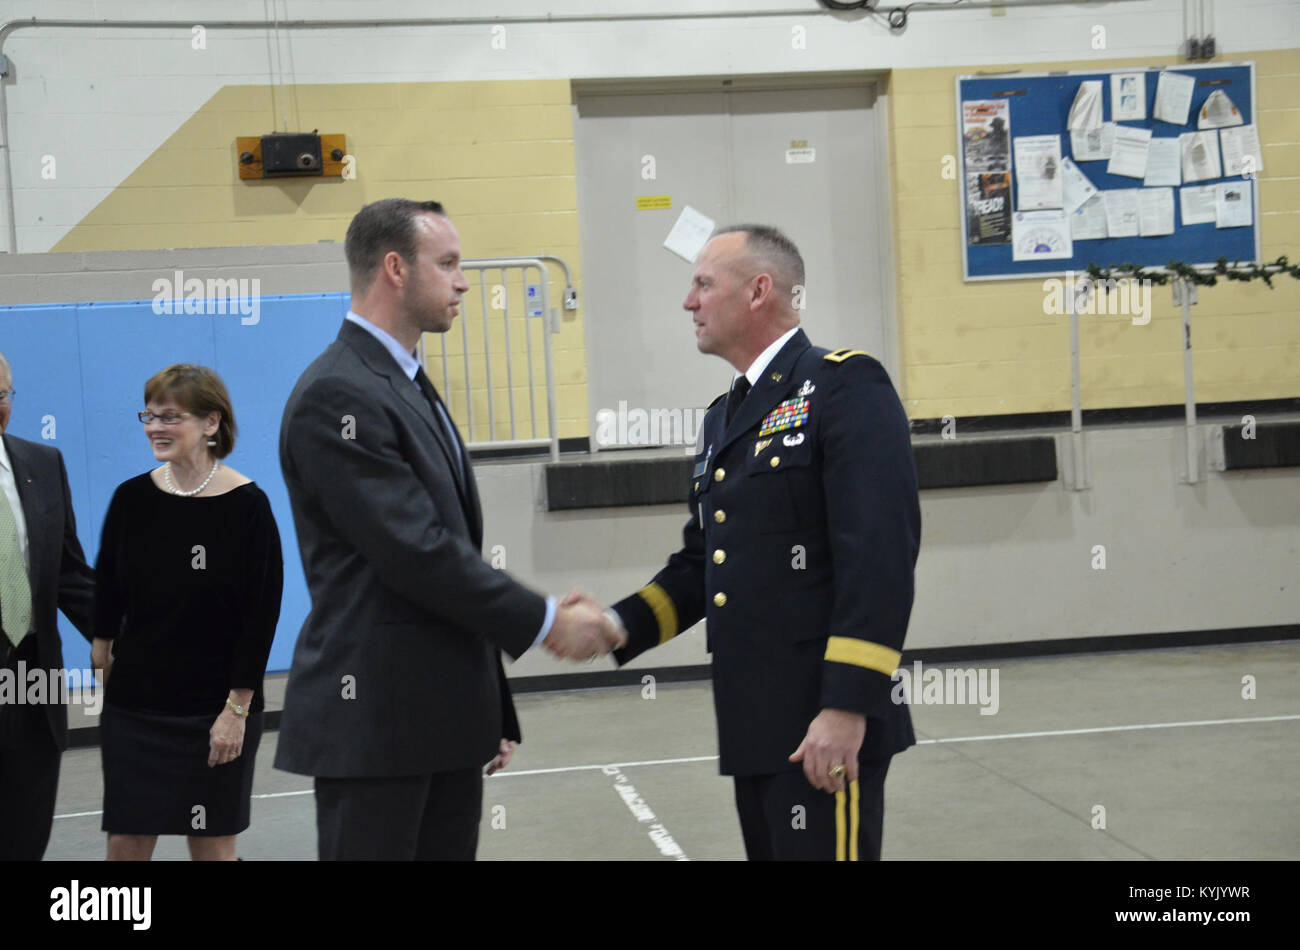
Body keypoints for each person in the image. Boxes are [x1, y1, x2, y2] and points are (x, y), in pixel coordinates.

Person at [274, 198, 620, 861]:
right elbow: (416, 554)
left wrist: (487, 708)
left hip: (438, 722)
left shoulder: (404, 383)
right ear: (396, 269)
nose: (464, 280)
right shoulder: (339, 394)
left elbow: (445, 554)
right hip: (377, 726)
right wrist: (546, 622)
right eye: (450, 263)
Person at [575, 225, 921, 861]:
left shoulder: (844, 387)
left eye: (703, 284)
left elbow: (879, 562)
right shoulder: (723, 416)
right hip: (755, 728)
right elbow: (704, 563)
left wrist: (846, 709)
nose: (689, 302)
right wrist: (617, 626)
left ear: (760, 290)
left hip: (824, 726)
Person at [91, 364, 283, 861]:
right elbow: (108, 592)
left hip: (217, 710)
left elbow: (259, 620)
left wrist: (236, 710)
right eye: (149, 416)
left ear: (212, 423)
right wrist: (102, 655)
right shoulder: (131, 499)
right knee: (126, 845)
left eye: (171, 416)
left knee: (212, 848)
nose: (155, 427)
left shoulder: (249, 507)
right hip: (137, 711)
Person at [0, 350, 96, 860]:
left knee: (26, 837)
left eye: (1, 396)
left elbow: (71, 577)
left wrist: (131, 633)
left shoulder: (42, 464)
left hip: (34, 688)